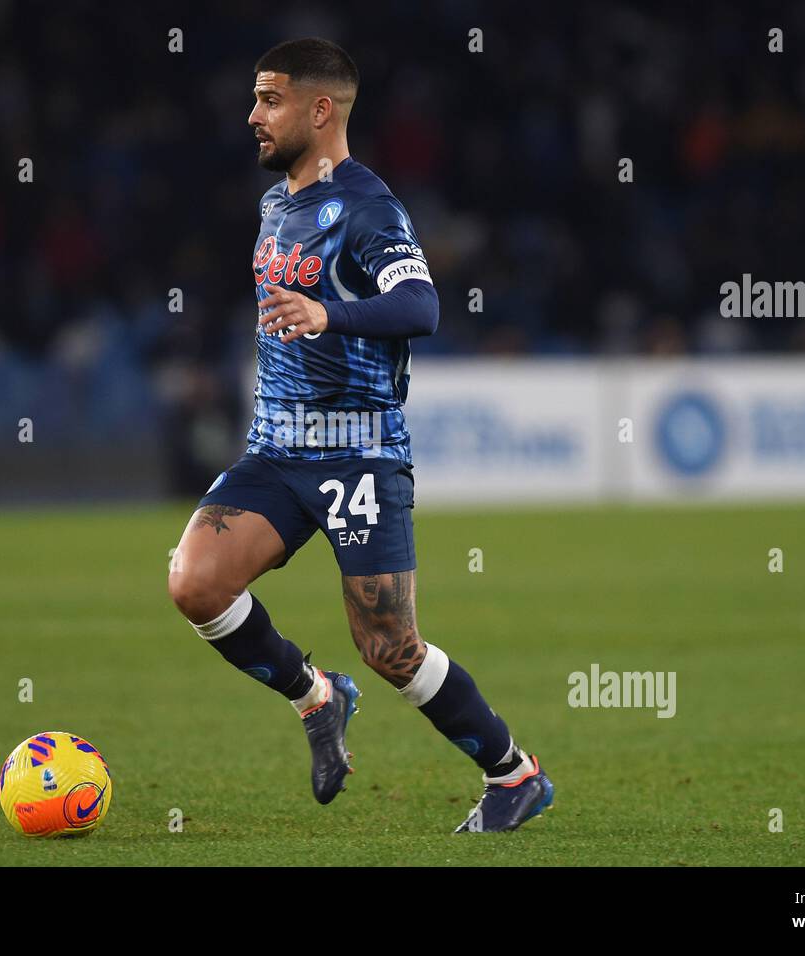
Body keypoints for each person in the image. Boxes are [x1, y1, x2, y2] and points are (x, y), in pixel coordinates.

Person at [167, 37, 553, 832]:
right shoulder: (278, 205)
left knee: (391, 648)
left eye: (270, 100)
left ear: (321, 109)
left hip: (359, 454)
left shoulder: (369, 207)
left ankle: (514, 775)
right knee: (195, 583)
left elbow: (422, 308)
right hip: (276, 449)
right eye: (255, 97)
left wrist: (328, 313)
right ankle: (317, 695)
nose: (253, 116)